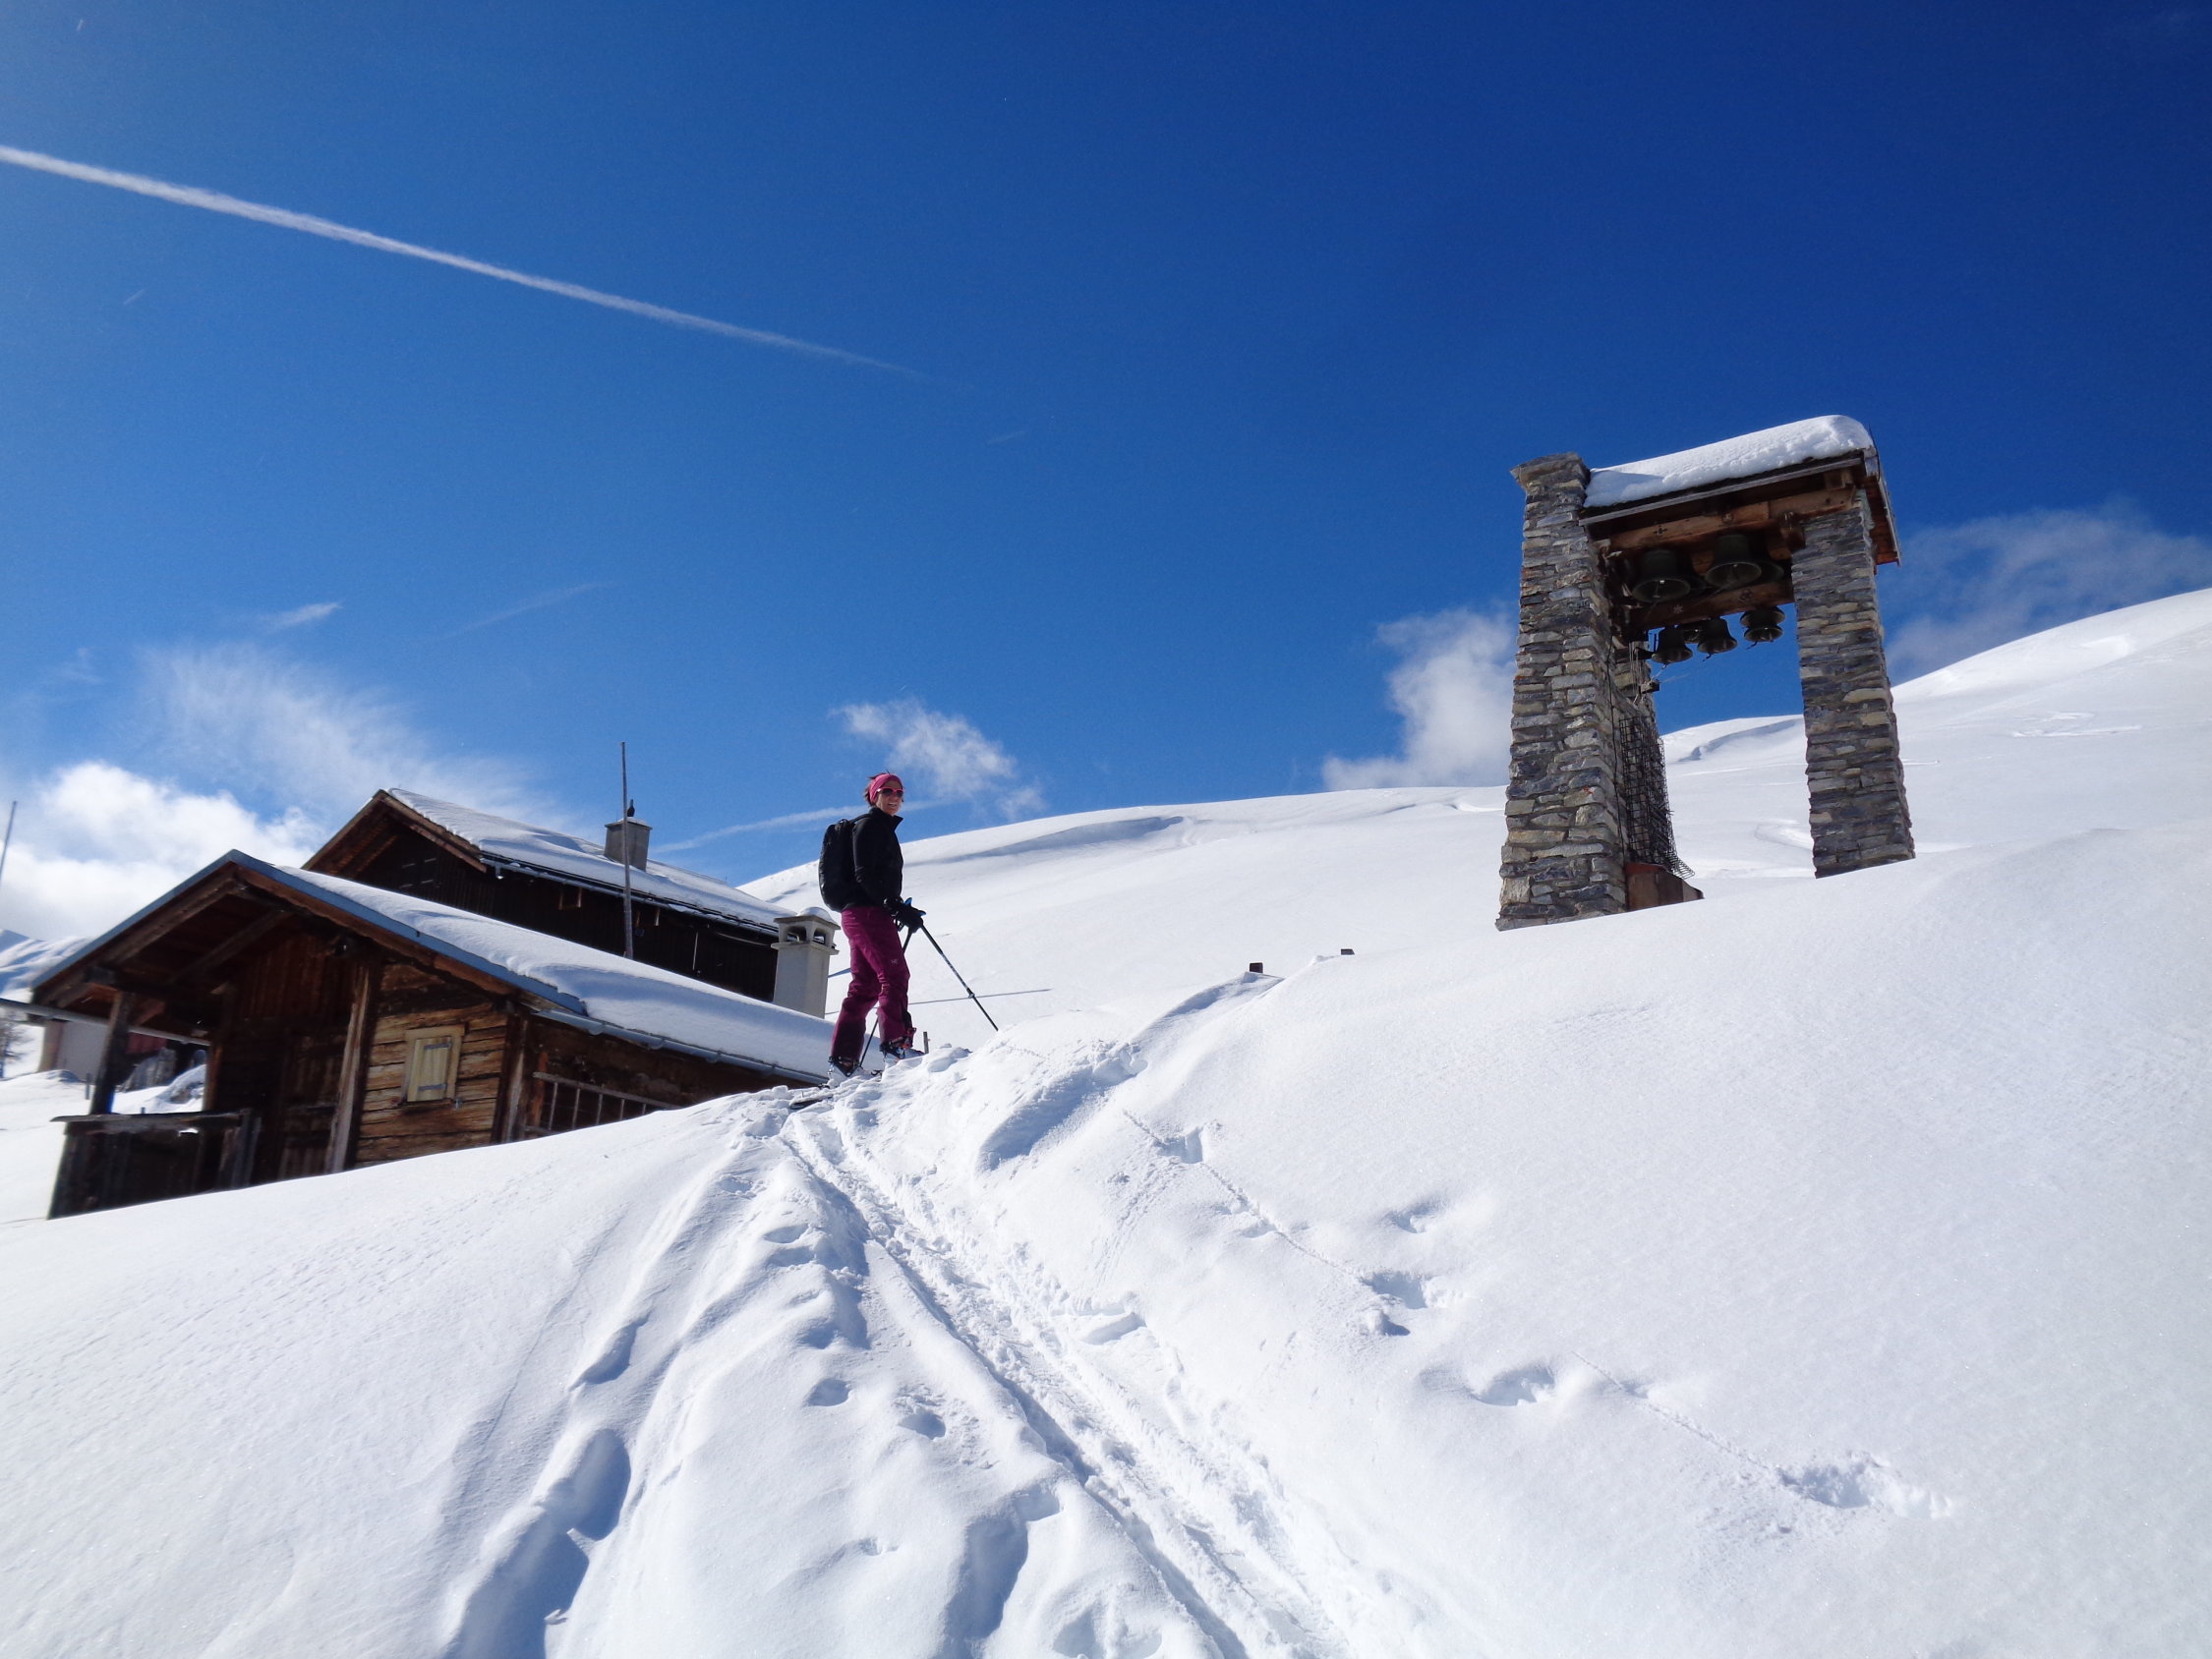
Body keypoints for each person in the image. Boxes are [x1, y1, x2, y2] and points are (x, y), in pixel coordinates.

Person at [823, 772, 926, 1075]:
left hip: (859, 913)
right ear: (873, 795)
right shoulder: (871, 826)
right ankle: (896, 1046)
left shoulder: (876, 828)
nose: (894, 796)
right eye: (887, 791)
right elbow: (864, 873)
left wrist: (895, 907)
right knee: (894, 976)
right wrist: (893, 905)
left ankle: (842, 1063)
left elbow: (868, 877)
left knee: (864, 987)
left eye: (899, 792)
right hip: (868, 913)